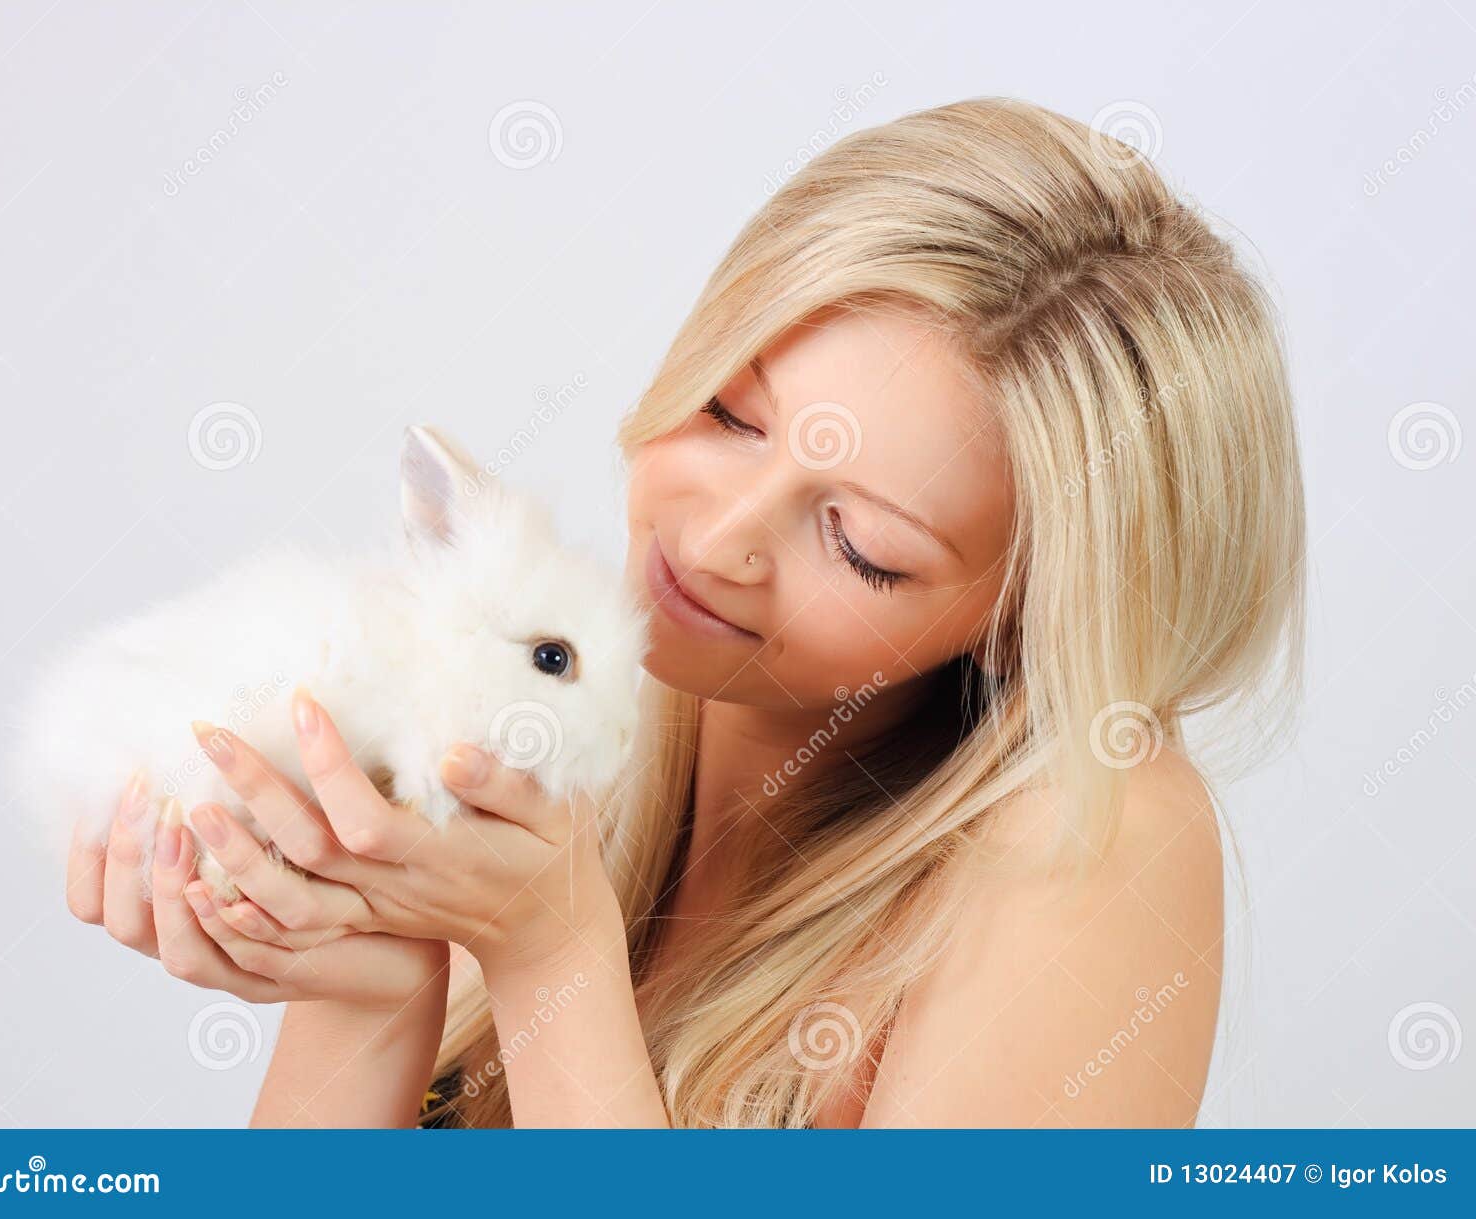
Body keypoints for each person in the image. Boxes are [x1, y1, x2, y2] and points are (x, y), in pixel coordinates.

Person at [65, 96, 1305, 1128]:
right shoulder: (539, 724)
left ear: (1025, 618)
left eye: (861, 544)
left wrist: (550, 956)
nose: (712, 542)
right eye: (726, 413)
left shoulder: (1101, 825)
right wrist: (377, 987)